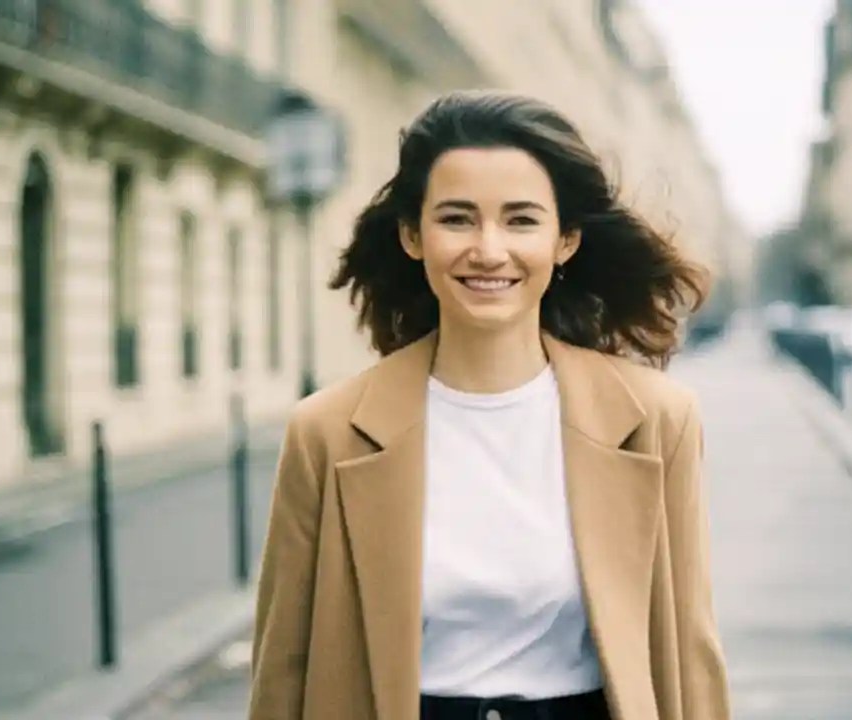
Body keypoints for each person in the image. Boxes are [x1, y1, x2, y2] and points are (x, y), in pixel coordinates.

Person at [249, 90, 731, 720]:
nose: (488, 249)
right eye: (457, 219)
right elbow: (284, 669)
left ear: (565, 240)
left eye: (521, 220)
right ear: (412, 235)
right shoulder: (327, 432)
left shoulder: (657, 420)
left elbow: (690, 655)